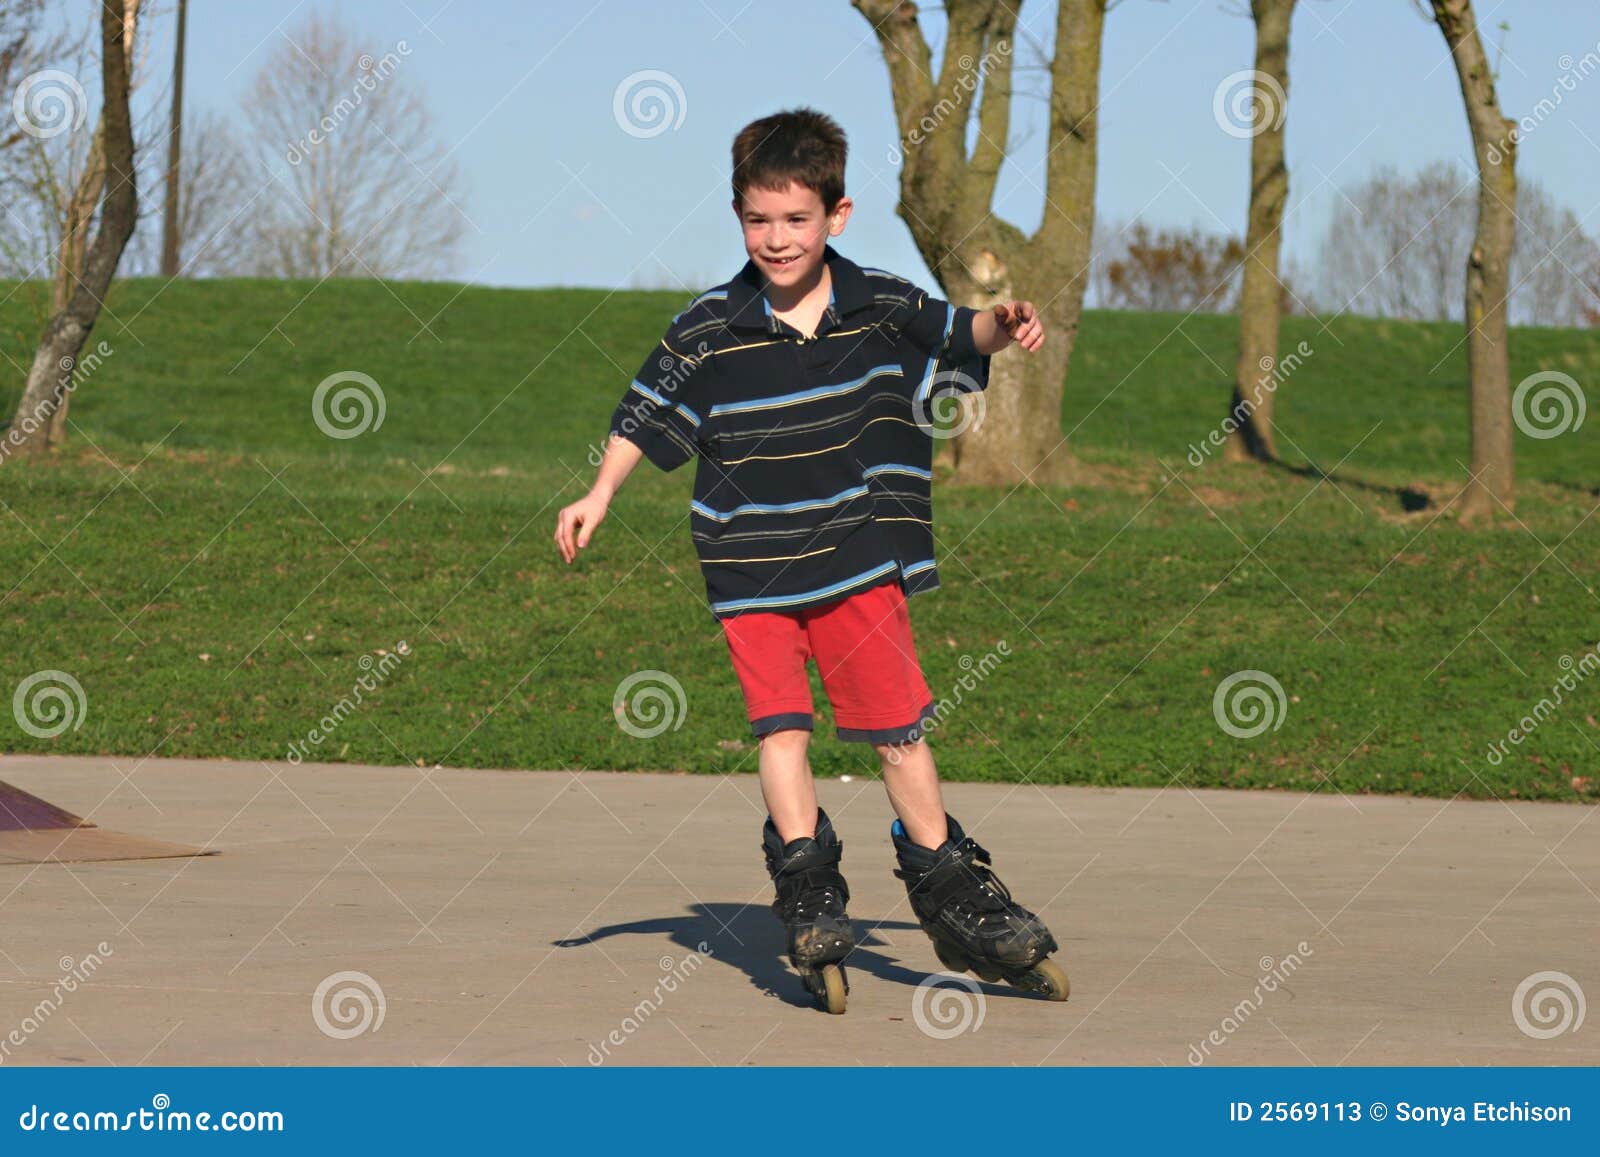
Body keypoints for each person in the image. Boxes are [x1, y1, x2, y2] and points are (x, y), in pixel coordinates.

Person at [554, 108, 1067, 1013]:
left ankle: (953, 888)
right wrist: (598, 493)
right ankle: (811, 895)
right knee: (780, 730)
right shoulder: (710, 326)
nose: (777, 239)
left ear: (838, 215)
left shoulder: (881, 302)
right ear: (738, 217)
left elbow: (960, 334)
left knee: (899, 734)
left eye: (796, 219)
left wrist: (1005, 321)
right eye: (758, 220)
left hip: (858, 560)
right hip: (748, 567)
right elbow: (641, 412)